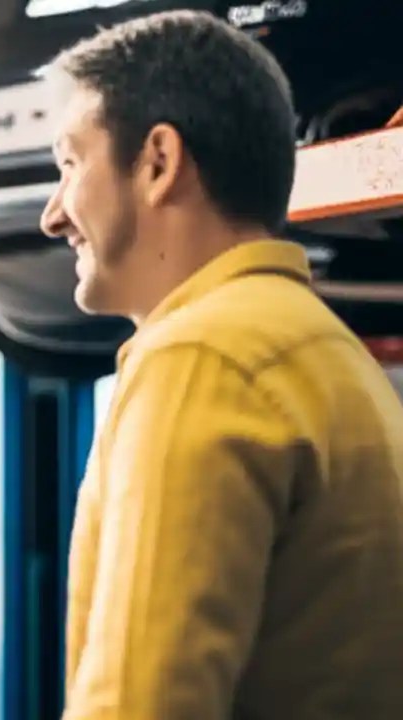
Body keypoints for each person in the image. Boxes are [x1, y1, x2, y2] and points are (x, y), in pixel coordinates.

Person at [38, 10, 403, 720]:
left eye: (70, 165)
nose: (52, 214)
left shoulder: (202, 358)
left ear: (158, 162)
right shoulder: (322, 351)